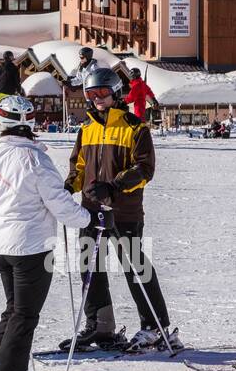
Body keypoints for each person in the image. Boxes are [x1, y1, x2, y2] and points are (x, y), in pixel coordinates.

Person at [0, 96, 95, 371]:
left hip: (3, 245)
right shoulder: (36, 160)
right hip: (33, 247)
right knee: (25, 314)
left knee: (14, 310)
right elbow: (59, 204)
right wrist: (89, 218)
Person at [64, 67, 177, 352]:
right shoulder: (86, 129)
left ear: (116, 93)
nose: (98, 98)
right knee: (91, 267)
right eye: (92, 93)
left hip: (123, 210)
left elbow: (144, 169)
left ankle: (155, 325)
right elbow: (79, 167)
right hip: (90, 209)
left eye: (103, 92)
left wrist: (113, 187)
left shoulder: (134, 127)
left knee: (134, 265)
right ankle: (100, 325)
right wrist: (67, 188)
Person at [0, 50, 20, 129]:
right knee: (8, 108)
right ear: (11, 58)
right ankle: (6, 124)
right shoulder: (14, 68)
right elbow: (17, 81)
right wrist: (19, 90)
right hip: (9, 92)